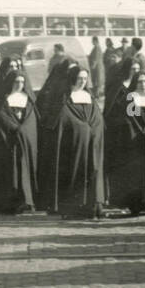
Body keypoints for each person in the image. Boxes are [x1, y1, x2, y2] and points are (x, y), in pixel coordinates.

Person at [38, 62, 106, 218]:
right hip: (72, 145)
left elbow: (98, 119)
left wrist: (92, 129)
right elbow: (62, 119)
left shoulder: (89, 97)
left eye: (85, 78)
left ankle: (91, 206)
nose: (82, 81)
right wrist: (79, 128)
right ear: (73, 79)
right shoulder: (63, 97)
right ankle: (72, 207)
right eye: (79, 78)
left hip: (91, 143)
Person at [104, 69, 145, 215]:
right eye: (140, 82)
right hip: (135, 142)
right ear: (135, 84)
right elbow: (131, 121)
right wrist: (139, 133)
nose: (143, 85)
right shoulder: (131, 100)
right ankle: (136, 203)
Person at [0, 69, 39, 214]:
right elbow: (0, 119)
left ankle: (25, 200)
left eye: (22, 82)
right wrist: (14, 128)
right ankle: (7, 202)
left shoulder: (28, 100)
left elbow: (31, 120)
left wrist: (23, 130)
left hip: (24, 141)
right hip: (8, 142)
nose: (19, 85)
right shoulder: (2, 100)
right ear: (10, 83)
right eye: (16, 82)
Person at [88, 37, 105, 101]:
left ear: (95, 41)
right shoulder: (96, 48)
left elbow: (95, 59)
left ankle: (96, 95)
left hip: (97, 68)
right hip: (97, 68)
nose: (92, 42)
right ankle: (96, 95)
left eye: (92, 41)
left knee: (96, 81)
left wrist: (92, 67)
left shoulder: (97, 48)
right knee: (96, 81)